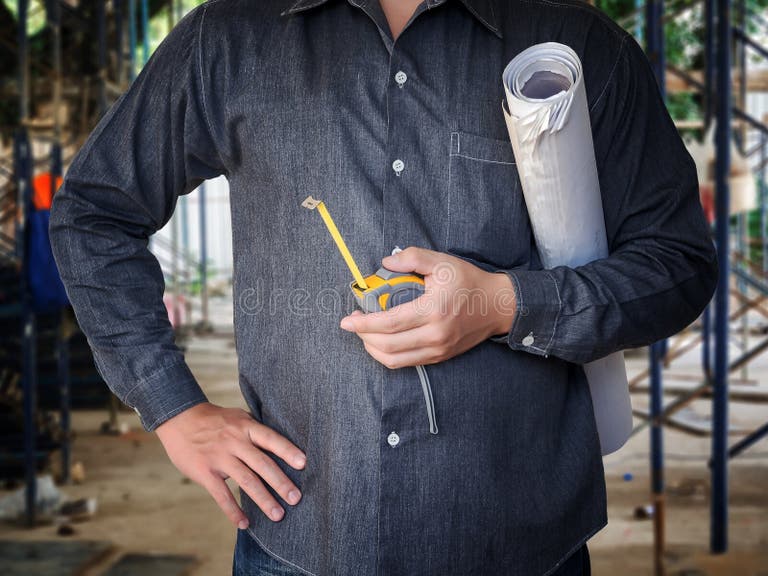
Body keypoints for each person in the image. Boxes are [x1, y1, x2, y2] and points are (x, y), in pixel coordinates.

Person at [49, 0, 718, 574]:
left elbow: (679, 264)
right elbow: (93, 211)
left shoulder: (576, 45)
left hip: (521, 541)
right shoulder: (231, 36)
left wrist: (501, 305)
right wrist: (171, 406)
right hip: (302, 538)